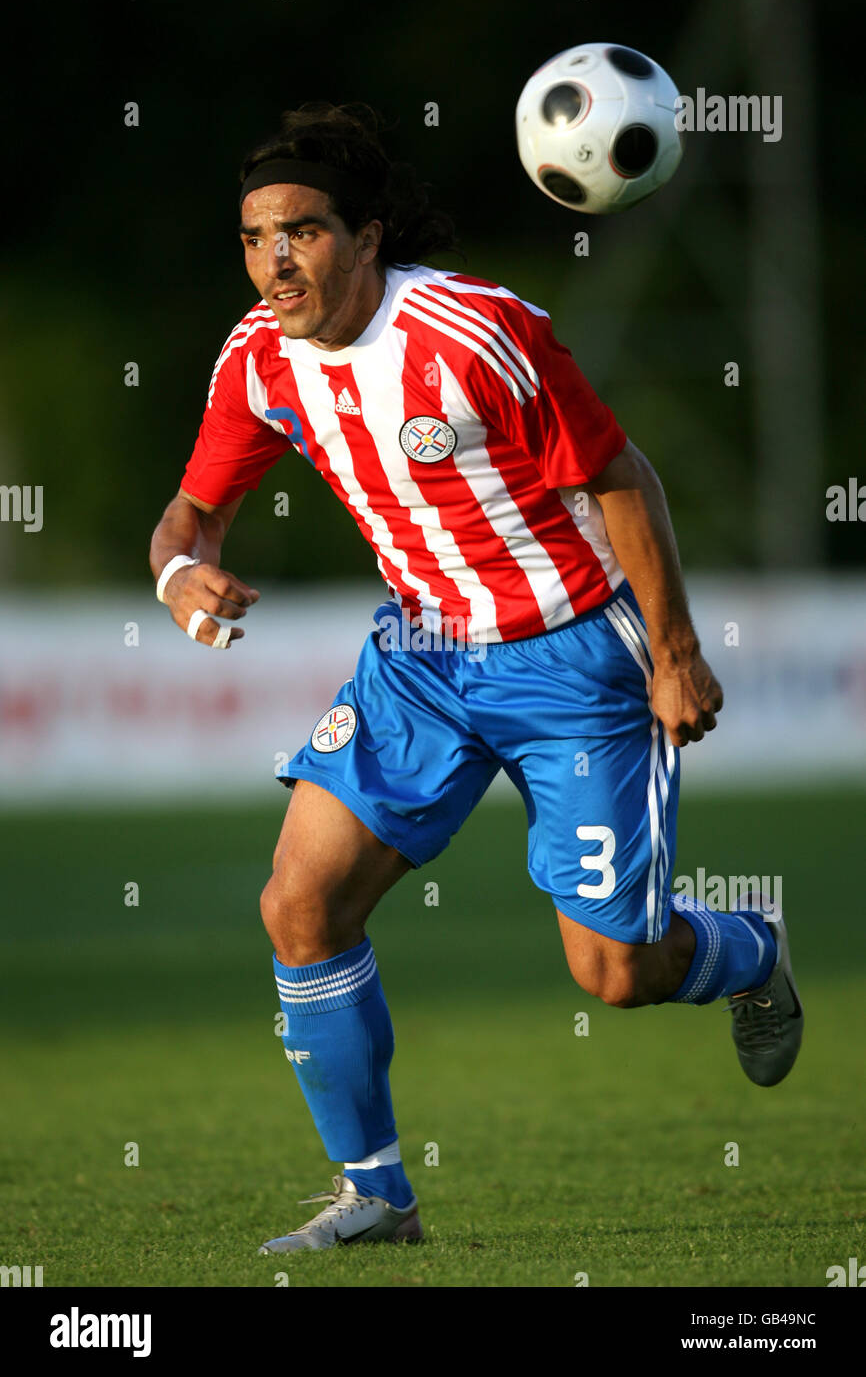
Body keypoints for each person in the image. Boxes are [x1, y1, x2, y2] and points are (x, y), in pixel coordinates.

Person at [149, 102, 803, 1254]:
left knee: (614, 972)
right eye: (254, 238)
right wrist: (179, 579)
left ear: (367, 236)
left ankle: (747, 949)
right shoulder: (257, 358)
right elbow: (187, 520)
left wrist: (676, 650)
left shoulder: (474, 332)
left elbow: (618, 476)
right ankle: (377, 1196)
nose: (273, 260)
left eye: (300, 231)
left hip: (572, 659)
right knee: (298, 903)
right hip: (420, 660)